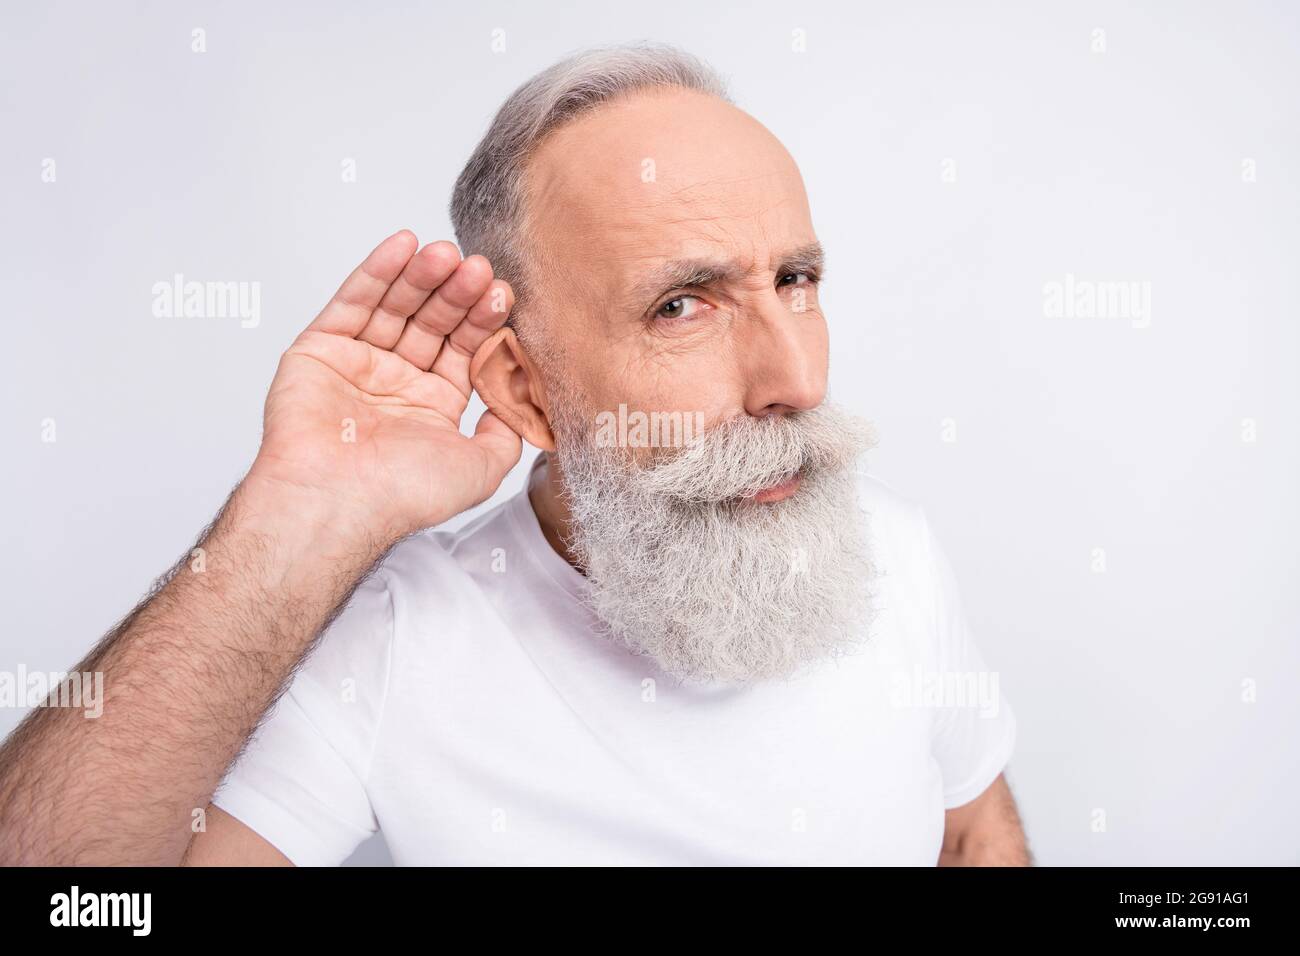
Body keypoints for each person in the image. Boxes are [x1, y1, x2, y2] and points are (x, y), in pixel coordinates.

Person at [0, 42, 1028, 866]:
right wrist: (294, 517)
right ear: (523, 388)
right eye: (681, 304)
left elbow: (973, 831)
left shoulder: (892, 552)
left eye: (795, 280)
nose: (795, 380)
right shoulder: (400, 638)